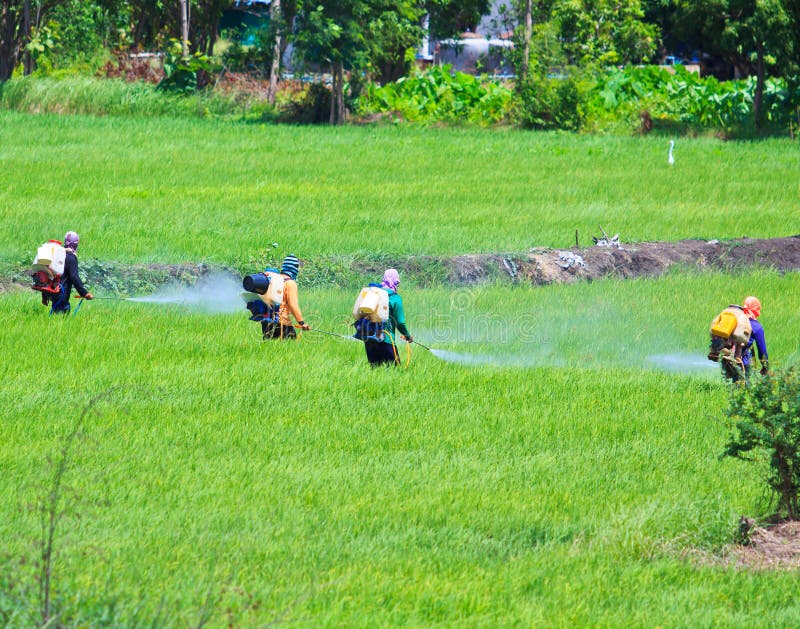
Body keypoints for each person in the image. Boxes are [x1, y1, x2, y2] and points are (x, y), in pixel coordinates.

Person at [364, 269, 413, 366]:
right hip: (386, 339)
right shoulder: (395, 298)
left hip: (369, 340)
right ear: (396, 282)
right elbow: (400, 323)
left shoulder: (375, 293)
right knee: (396, 372)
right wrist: (407, 336)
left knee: (375, 373)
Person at [262, 254, 310, 340]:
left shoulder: (274, 280)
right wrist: (301, 323)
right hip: (281, 321)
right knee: (291, 347)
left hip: (266, 320)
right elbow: (293, 304)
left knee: (270, 349)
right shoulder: (290, 283)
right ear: (294, 268)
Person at [50, 231, 92, 314]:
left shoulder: (58, 255)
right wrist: (84, 293)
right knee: (63, 318)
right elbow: (74, 277)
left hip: (54, 292)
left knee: (55, 315)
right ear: (75, 244)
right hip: (62, 294)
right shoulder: (71, 258)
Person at [741, 296, 769, 378]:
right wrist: (765, 367)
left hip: (729, 355)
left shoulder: (737, 320)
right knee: (745, 388)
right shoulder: (757, 327)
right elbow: (762, 350)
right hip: (742, 360)